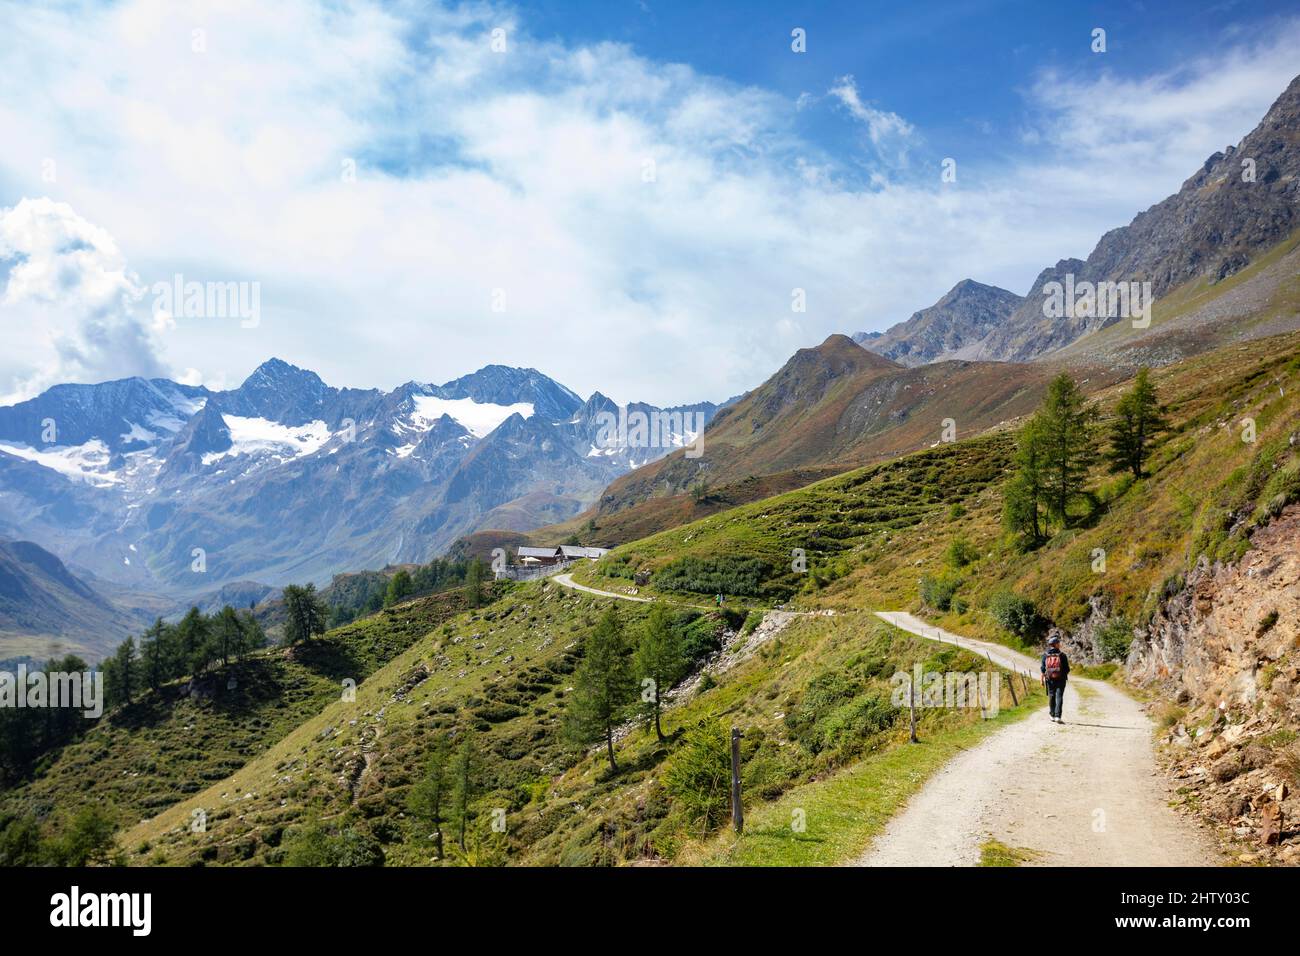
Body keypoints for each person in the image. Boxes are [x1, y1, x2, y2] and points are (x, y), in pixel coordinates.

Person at [1040, 634, 1070, 723]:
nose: (1059, 644)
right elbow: (1067, 669)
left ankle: (1052, 715)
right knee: (1059, 696)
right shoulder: (1062, 655)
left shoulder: (1045, 655)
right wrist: (1062, 675)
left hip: (1049, 679)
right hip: (1061, 679)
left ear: (1050, 645)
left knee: (1051, 696)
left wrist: (1043, 678)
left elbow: (1042, 668)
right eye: (1058, 643)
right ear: (1056, 644)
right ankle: (1058, 716)